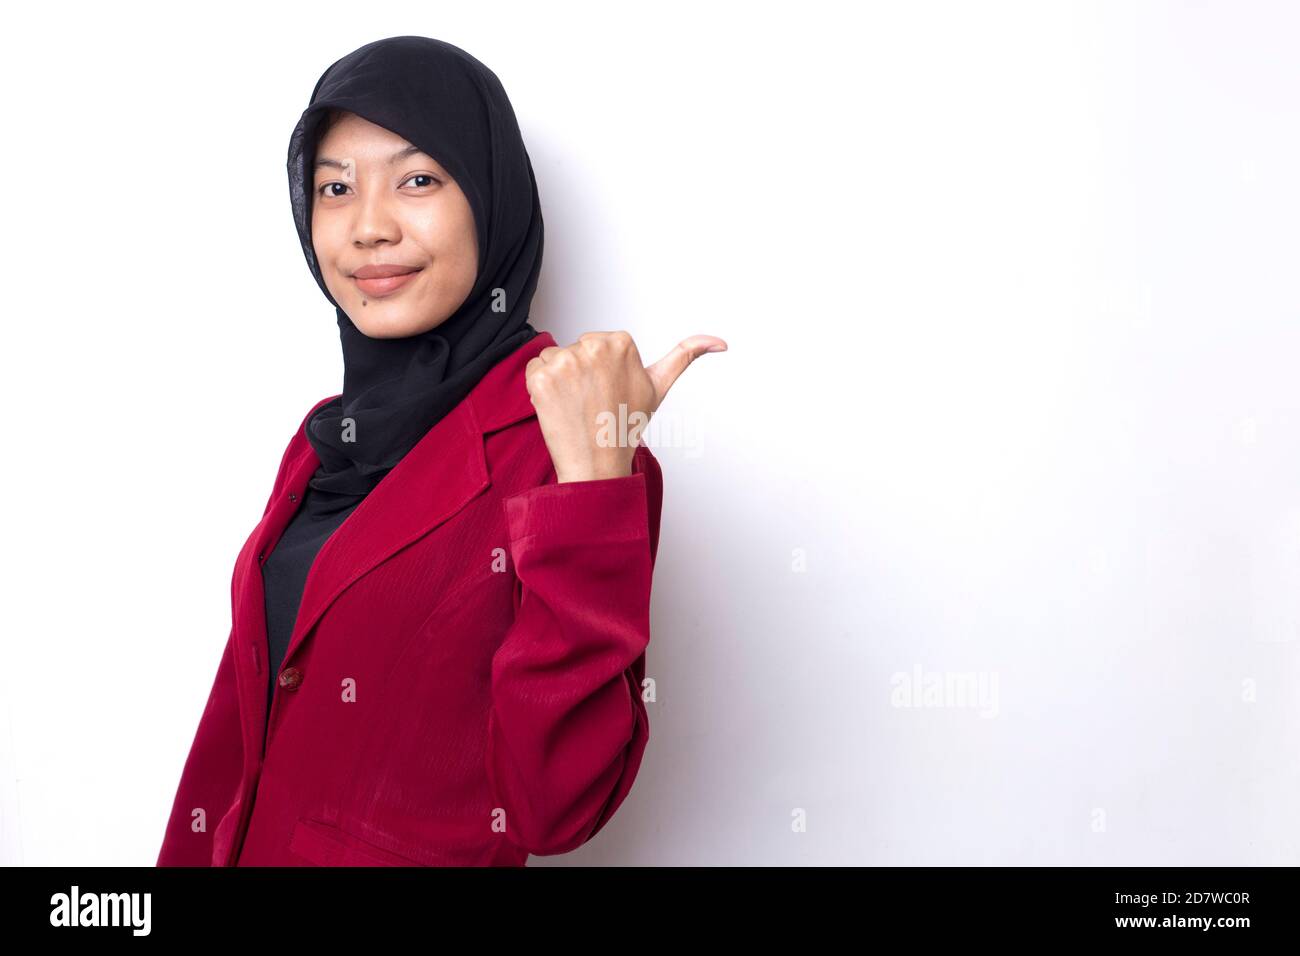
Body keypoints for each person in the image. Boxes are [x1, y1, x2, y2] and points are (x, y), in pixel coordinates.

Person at [155, 35, 725, 867]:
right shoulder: (323, 442)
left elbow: (554, 808)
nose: (369, 227)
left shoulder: (571, 455)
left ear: (492, 202)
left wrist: (594, 486)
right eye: (335, 188)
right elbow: (232, 750)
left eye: (418, 180)